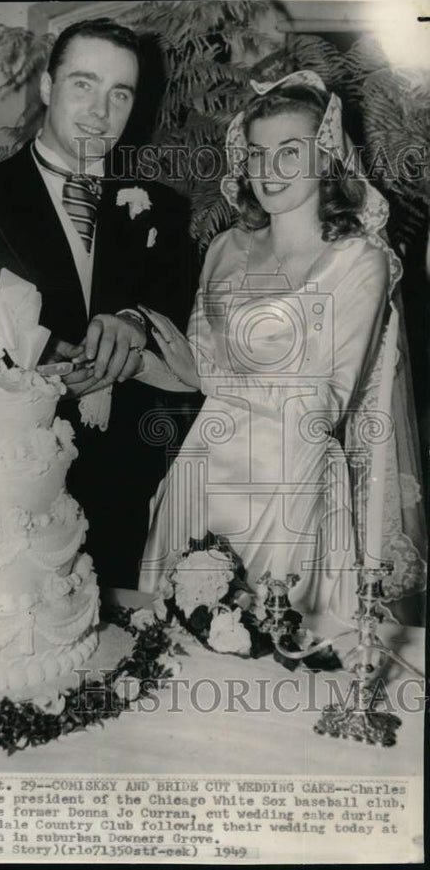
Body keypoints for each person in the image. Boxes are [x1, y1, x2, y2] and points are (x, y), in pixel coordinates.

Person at [0, 18, 200, 589]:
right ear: (47, 86)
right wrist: (30, 377)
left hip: (129, 501)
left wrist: (137, 321)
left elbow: (185, 329)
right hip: (10, 505)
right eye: (83, 85)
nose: (100, 110)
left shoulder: (162, 212)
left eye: (121, 93)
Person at [136, 71, 426, 623]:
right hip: (201, 476)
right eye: (257, 153)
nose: (269, 170)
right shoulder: (224, 247)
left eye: (290, 152)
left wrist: (210, 382)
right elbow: (195, 366)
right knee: (175, 655)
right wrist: (130, 364)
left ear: (327, 156)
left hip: (293, 486)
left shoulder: (359, 261)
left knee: (282, 652)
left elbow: (328, 402)